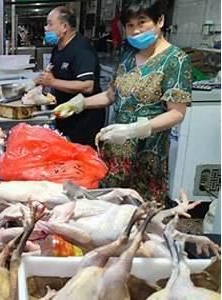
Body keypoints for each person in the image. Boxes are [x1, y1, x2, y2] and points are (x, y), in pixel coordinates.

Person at [53, 0, 192, 204]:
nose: (135, 31)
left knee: (138, 216)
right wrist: (78, 104)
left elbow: (176, 113)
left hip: (146, 157)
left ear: (160, 20)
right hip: (115, 151)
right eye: (130, 25)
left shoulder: (176, 60)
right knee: (109, 210)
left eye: (142, 22)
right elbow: (111, 95)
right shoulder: (128, 54)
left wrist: (134, 129)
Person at [36, 6, 105, 147]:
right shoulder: (58, 47)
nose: (46, 28)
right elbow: (53, 74)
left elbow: (87, 86)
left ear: (64, 26)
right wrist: (42, 81)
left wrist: (53, 82)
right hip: (65, 115)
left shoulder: (82, 49)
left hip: (84, 122)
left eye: (50, 23)